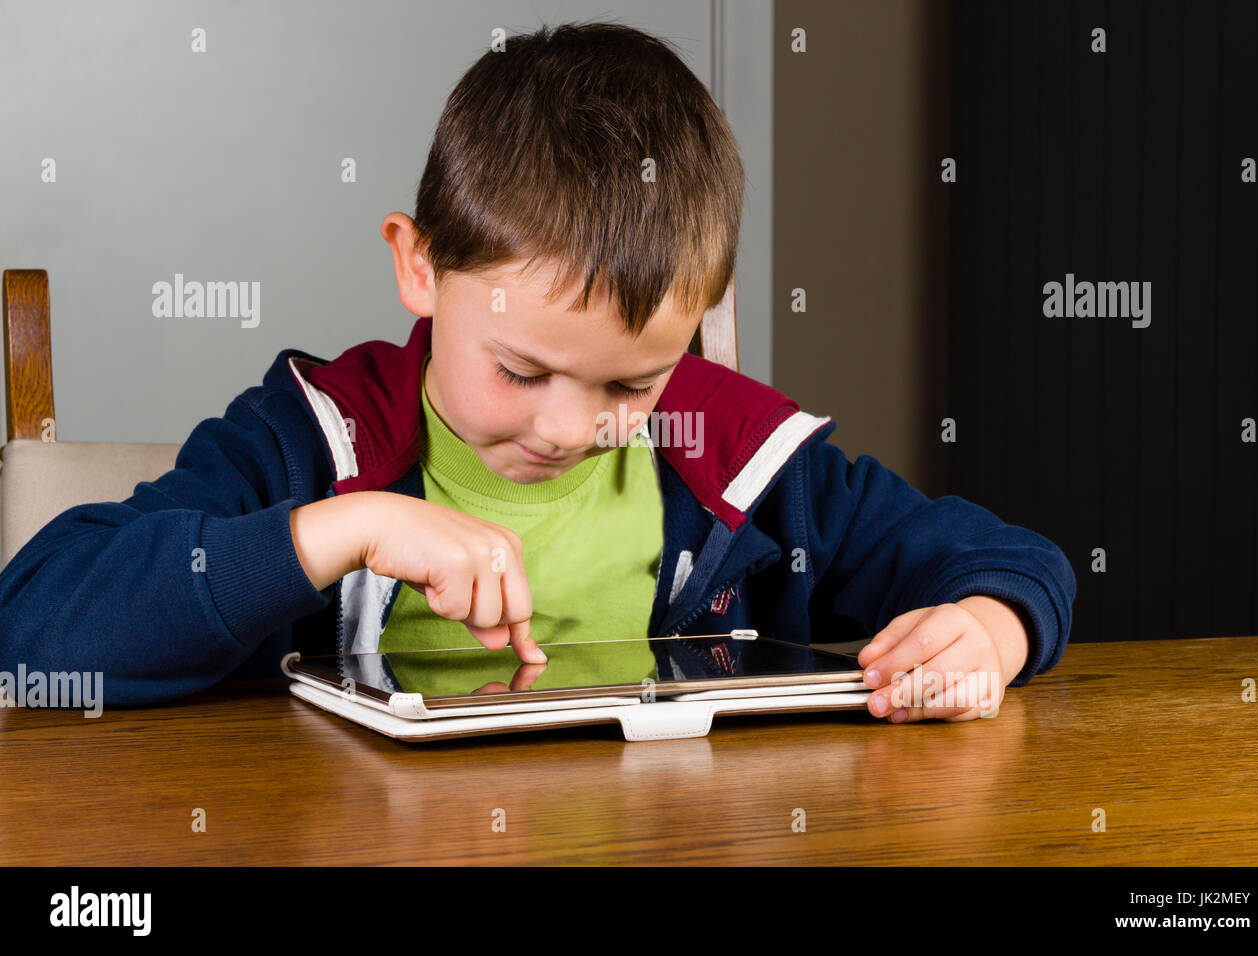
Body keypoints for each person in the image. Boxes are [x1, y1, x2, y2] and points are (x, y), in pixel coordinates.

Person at [0, 23, 1075, 722]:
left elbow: (1008, 559)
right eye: (522, 369)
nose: (569, 426)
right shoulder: (309, 440)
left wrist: (991, 622)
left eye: (629, 384)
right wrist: (350, 528)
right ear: (419, 266)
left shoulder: (737, 458)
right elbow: (36, 627)